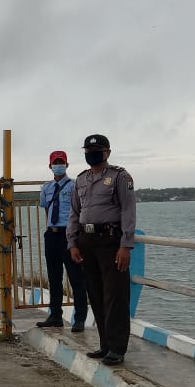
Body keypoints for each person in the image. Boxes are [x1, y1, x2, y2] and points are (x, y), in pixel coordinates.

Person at [67, 134, 137, 366]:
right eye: (87, 150)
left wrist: (126, 245)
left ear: (107, 152)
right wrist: (73, 242)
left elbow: (128, 210)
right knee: (96, 295)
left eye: (96, 150)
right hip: (86, 240)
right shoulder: (82, 179)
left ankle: (117, 349)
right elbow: (74, 213)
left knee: (115, 295)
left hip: (110, 240)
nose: (91, 154)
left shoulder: (120, 177)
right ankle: (105, 344)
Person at [38, 150, 88, 332]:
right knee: (54, 277)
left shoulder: (75, 186)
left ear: (67, 165)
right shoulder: (46, 188)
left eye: (61, 162)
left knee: (76, 277)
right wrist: (50, 228)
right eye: (55, 162)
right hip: (52, 234)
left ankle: (80, 317)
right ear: (50, 166)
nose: (58, 165)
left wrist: (75, 236)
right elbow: (46, 210)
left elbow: (81, 211)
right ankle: (55, 315)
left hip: (69, 235)